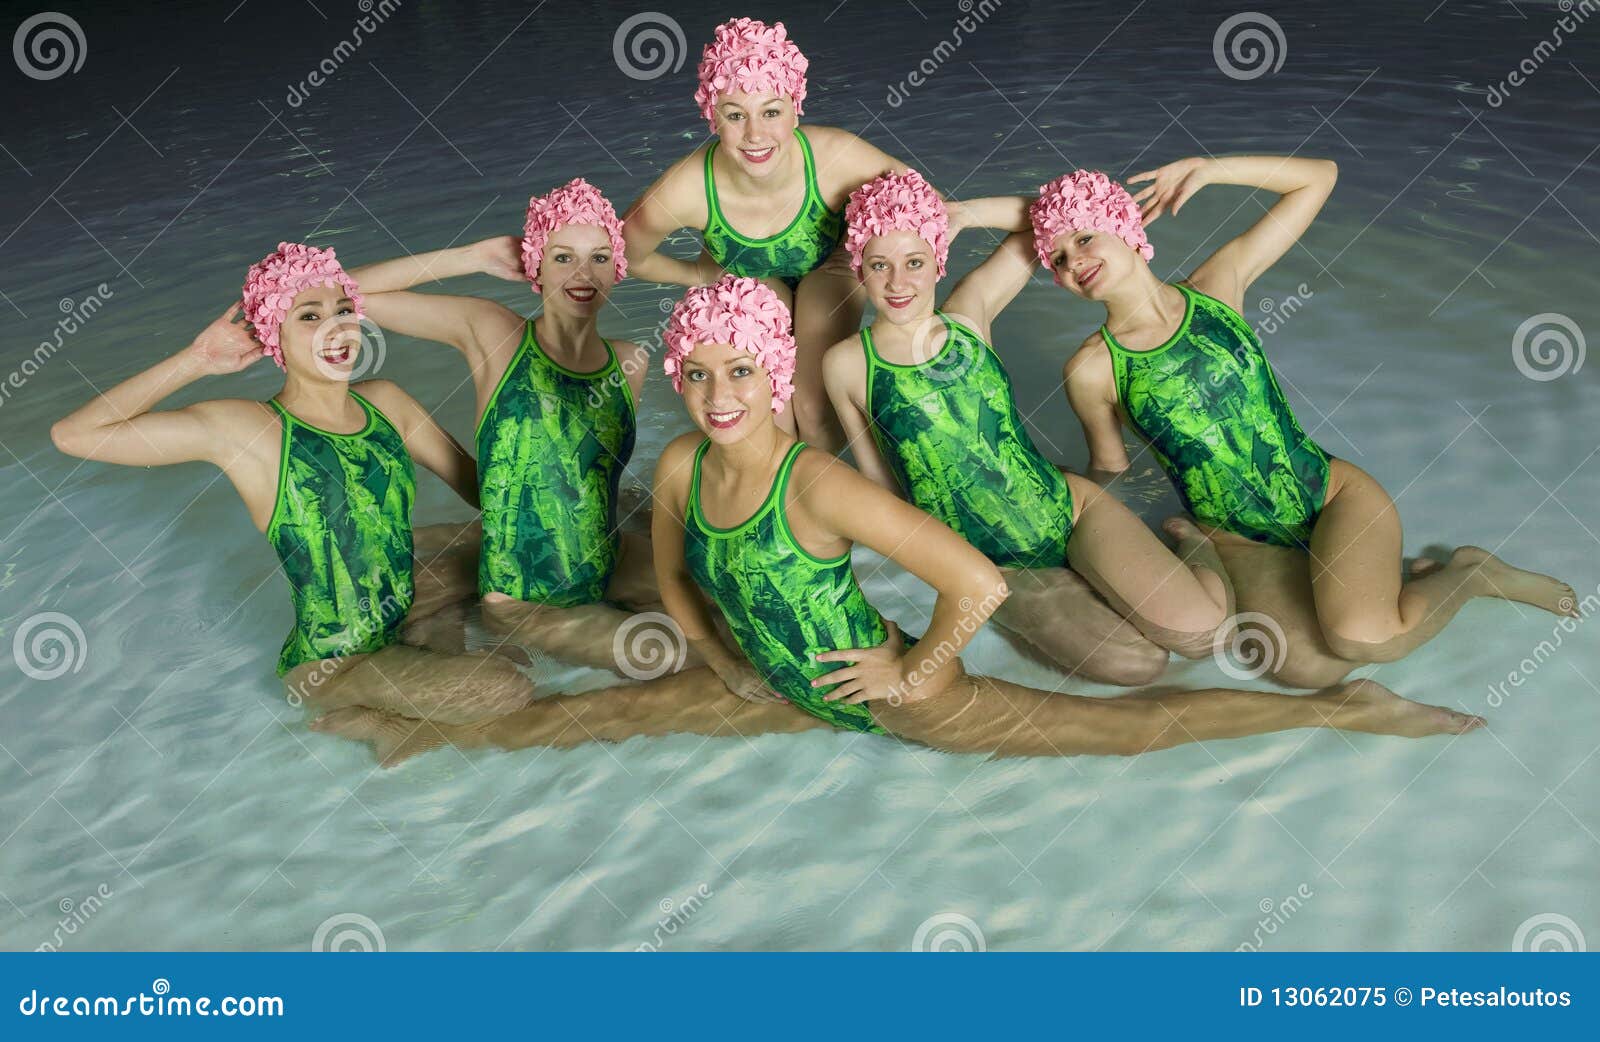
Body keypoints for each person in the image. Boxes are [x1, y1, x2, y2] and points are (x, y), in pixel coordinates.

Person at [314, 276, 1484, 766]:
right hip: (778, 686)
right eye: (698, 374)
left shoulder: (820, 487)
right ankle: (403, 731)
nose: (716, 396)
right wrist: (725, 656)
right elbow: (673, 579)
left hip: (906, 703)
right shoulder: (676, 463)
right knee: (597, 717)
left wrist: (914, 667)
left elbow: (976, 579)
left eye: (739, 373)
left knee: (1132, 730)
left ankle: (1340, 707)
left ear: (776, 376)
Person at [1045, 159, 1577, 664]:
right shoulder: (1091, 369)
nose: (1074, 262)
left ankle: (1470, 574)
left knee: (1363, 641)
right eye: (1058, 259)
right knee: (1302, 666)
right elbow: (1111, 468)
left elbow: (1319, 178)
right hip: (1237, 539)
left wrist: (1207, 171)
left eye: (1084, 238)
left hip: (1329, 495)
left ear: (1125, 225)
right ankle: (1406, 576)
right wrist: (1101, 546)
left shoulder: (1217, 287)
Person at [50, 243, 533, 723]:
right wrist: (197, 360)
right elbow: (75, 435)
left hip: (402, 616)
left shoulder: (386, 403)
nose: (335, 329)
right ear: (271, 334)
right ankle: (360, 718)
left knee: (482, 560)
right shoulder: (251, 431)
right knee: (502, 687)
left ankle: (401, 713)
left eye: (344, 311)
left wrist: (543, 439)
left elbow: (483, 492)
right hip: (335, 664)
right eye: (309, 317)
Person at [824, 170, 1232, 685]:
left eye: (914, 262)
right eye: (879, 265)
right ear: (859, 266)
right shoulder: (845, 364)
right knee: (1139, 664)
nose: (897, 283)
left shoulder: (969, 314)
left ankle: (1197, 541)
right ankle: (1065, 595)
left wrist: (960, 214)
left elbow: (1044, 220)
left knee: (1205, 637)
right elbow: (882, 492)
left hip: (1070, 508)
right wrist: (958, 579)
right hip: (997, 565)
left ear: (938, 259)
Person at [621, 17, 1017, 453]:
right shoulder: (685, 189)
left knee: (812, 408)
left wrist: (873, 250)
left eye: (771, 111)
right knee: (773, 416)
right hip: (748, 278)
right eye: (735, 115)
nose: (755, 135)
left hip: (831, 267)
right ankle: (777, 486)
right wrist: (697, 274)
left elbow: (923, 206)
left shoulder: (834, 155)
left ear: (795, 106)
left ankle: (824, 486)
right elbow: (626, 253)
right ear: (711, 115)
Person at [348, 179, 677, 673]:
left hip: (609, 566)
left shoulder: (630, 361)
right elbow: (338, 291)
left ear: (618, 268)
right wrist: (473, 257)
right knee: (674, 658)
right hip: (523, 599)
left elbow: (586, 484)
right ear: (535, 267)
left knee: (731, 609)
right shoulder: (494, 333)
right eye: (563, 257)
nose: (583, 274)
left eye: (599, 257)